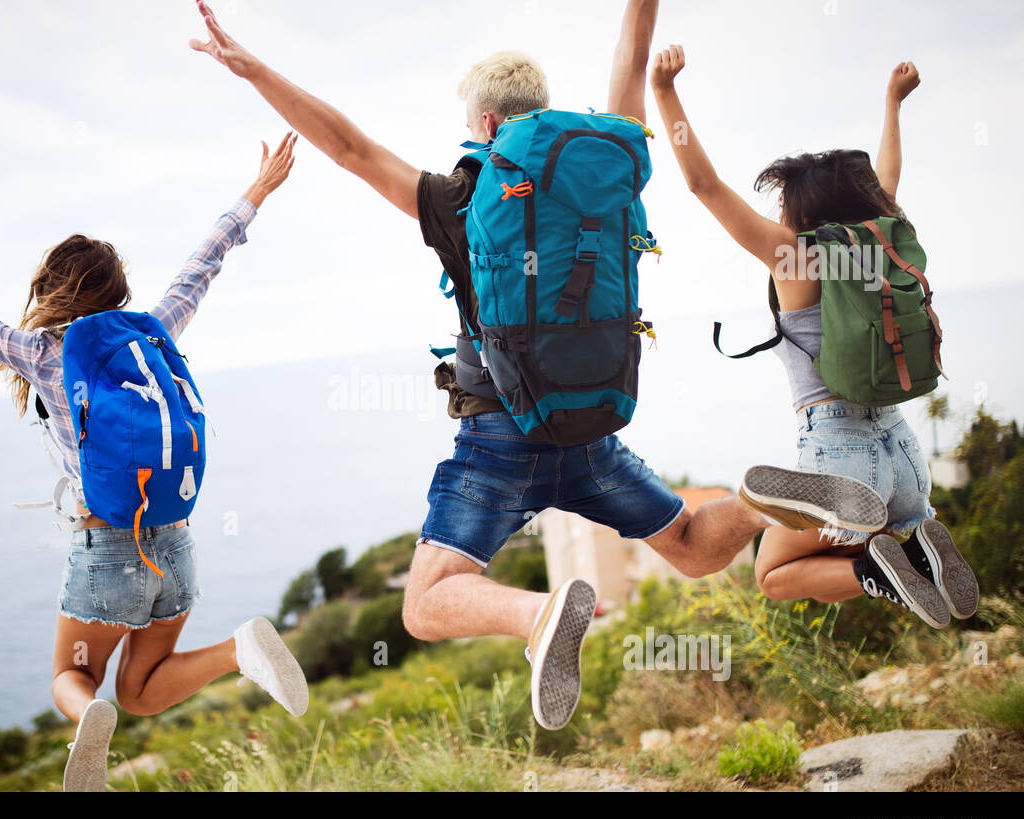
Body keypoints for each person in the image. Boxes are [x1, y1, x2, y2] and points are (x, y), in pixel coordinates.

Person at [189, 0, 878, 730]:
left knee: (424, 604)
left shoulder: (460, 197)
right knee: (692, 548)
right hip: (592, 427)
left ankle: (540, 614)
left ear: (487, 126)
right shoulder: (610, 167)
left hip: (501, 439)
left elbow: (351, 149)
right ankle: (756, 502)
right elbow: (628, 70)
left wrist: (254, 68)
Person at [0, 133, 311, 792]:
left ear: (52, 291)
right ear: (118, 290)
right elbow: (204, 262)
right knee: (141, 691)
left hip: (107, 548)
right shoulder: (156, 331)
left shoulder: (42, 352)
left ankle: (88, 717)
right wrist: (258, 189)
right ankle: (238, 650)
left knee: (72, 678)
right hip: (174, 545)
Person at [651, 46, 978, 627]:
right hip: (902, 452)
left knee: (772, 574)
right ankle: (912, 551)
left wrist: (664, 91)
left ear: (800, 211)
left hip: (839, 459)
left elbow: (704, 185)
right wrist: (893, 105)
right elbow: (888, 178)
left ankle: (876, 570)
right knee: (851, 549)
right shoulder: (884, 244)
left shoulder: (794, 259)